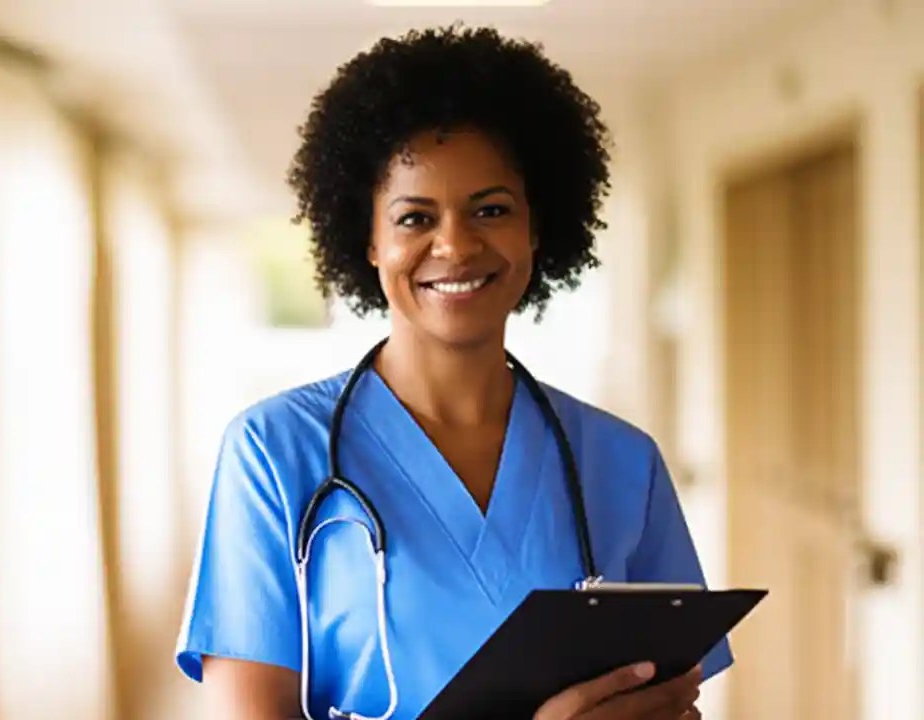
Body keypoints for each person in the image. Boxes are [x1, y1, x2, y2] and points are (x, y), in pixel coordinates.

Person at [174, 25, 729, 720]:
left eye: (491, 210)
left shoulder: (623, 463)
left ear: (536, 229)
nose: (457, 245)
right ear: (368, 240)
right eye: (414, 217)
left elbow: (673, 701)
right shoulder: (273, 454)